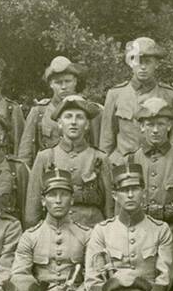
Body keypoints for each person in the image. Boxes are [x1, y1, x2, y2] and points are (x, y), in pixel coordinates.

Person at [11, 175, 93, 291]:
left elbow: (93, 277)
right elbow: (19, 276)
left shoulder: (87, 235)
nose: (58, 200)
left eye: (63, 194)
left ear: (72, 200)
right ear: (42, 200)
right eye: (52, 195)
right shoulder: (30, 236)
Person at [82, 165, 173, 291]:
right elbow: (93, 279)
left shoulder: (160, 229)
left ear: (144, 193)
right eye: (124, 190)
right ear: (114, 195)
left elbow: (164, 279)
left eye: (135, 189)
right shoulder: (102, 231)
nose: (130, 195)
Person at [24, 95, 112, 229]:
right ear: (59, 123)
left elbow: (110, 208)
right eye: (68, 116)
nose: (74, 122)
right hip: (54, 230)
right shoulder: (45, 157)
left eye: (80, 117)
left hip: (92, 230)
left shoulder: (99, 158)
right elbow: (32, 207)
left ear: (87, 125)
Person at [99, 37, 173, 161]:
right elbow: (106, 140)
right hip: (124, 166)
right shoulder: (115, 94)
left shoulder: (170, 95)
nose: (142, 67)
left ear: (157, 64)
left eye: (148, 62)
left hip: (158, 164)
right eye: (138, 61)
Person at [121, 97, 173, 226]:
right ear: (142, 127)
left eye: (161, 124)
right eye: (150, 125)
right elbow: (121, 207)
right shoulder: (130, 161)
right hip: (140, 233)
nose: (155, 130)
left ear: (169, 126)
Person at [18, 56, 100, 163]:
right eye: (58, 82)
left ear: (75, 81)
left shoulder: (88, 110)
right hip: (49, 173)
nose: (64, 87)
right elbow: (25, 152)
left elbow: (98, 147)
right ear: (51, 84)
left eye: (68, 81)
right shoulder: (39, 111)